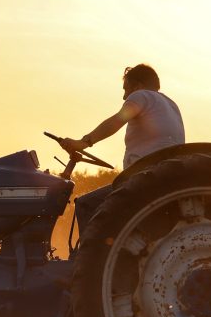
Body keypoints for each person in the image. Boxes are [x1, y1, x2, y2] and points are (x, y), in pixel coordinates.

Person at [58, 63, 185, 231]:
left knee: (86, 205)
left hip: (143, 180)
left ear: (137, 86)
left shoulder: (141, 96)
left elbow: (117, 120)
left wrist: (84, 142)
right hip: (165, 177)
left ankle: (91, 257)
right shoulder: (171, 105)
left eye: (126, 89)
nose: (124, 97)